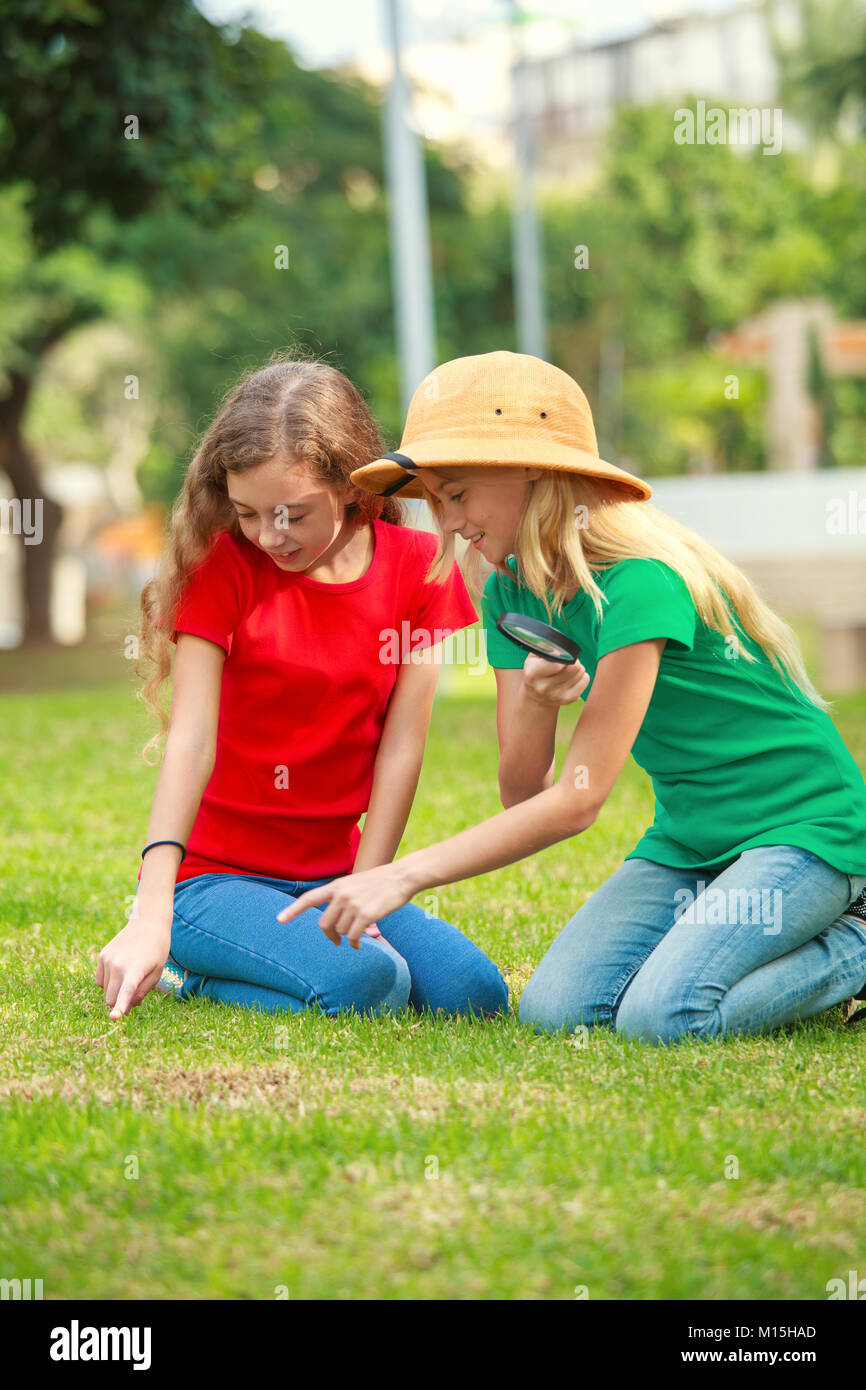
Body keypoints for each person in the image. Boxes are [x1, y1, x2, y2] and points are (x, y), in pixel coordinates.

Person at [276, 349, 866, 1045]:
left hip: (803, 832)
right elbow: (526, 793)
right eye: (435, 500)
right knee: (555, 1012)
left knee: (663, 1018)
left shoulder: (641, 582)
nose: (449, 522)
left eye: (457, 493)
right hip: (691, 842)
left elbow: (580, 803)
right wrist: (540, 700)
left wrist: (400, 877)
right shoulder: (511, 591)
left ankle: (854, 947)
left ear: (532, 468)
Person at [95, 353, 508, 1023]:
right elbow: (191, 740)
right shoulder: (225, 568)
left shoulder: (419, 568)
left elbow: (402, 748)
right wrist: (154, 908)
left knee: (473, 995)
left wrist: (368, 888)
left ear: (351, 485)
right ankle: (191, 971)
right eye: (250, 514)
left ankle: (276, 961)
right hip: (212, 881)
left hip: (332, 873)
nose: (269, 537)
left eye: (291, 513)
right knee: (372, 983)